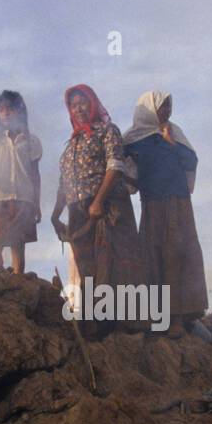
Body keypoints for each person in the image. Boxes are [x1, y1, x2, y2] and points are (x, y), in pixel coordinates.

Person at [51, 84, 144, 332]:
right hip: (79, 212)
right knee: (87, 266)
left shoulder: (107, 131)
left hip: (107, 209)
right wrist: (54, 215)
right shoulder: (72, 144)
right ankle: (95, 321)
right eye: (73, 105)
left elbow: (115, 166)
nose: (78, 108)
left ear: (92, 104)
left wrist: (98, 201)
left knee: (111, 263)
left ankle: (122, 324)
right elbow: (64, 184)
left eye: (83, 103)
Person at [124, 90, 208, 336]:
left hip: (178, 204)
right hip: (152, 205)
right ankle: (155, 316)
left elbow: (191, 161)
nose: (168, 112)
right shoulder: (133, 139)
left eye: (169, 107)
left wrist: (172, 144)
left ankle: (180, 317)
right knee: (153, 255)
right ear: (150, 109)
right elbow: (126, 171)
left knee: (178, 254)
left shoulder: (174, 132)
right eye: (163, 107)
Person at [0, 91, 42, 275]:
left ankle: (18, 283)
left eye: (10, 109)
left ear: (20, 112)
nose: (5, 113)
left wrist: (37, 204)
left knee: (18, 243)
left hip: (24, 199)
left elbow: (35, 175)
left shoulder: (31, 141)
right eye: (1, 110)